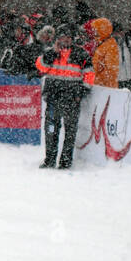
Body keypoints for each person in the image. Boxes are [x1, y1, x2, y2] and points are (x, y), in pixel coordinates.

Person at [36, 25, 94, 170]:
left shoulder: (81, 54)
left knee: (70, 132)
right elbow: (41, 67)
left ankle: (65, 162)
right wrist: (53, 53)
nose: (65, 40)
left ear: (72, 39)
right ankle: (49, 160)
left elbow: (90, 75)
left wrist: (81, 93)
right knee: (50, 131)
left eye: (67, 37)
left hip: (71, 100)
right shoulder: (50, 53)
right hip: (53, 98)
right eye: (62, 37)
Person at [87, 17, 118, 88]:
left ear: (102, 30)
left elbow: (111, 70)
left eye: (96, 30)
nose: (94, 32)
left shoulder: (110, 45)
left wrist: (99, 79)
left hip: (106, 87)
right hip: (99, 85)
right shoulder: (101, 44)